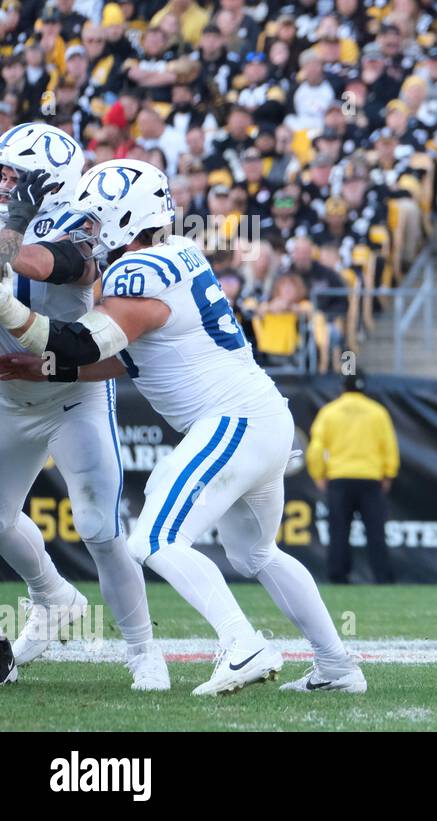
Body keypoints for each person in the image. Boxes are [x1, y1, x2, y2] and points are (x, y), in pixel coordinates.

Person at [0, 159, 364, 695]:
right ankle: (337, 667)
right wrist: (47, 367)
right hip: (261, 417)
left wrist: (9, 308)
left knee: (155, 538)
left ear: (124, 219)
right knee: (256, 554)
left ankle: (242, 645)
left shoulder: (133, 272)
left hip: (233, 421)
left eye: (97, 222)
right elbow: (128, 357)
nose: (88, 233)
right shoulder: (178, 255)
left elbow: (80, 343)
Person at [0, 123, 165, 690]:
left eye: (13, 174)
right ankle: (53, 596)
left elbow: (45, 265)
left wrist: (14, 225)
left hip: (74, 391)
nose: (4, 183)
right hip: (8, 393)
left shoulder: (88, 218)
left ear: (45, 181)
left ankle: (143, 651)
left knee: (99, 527)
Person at [306, 370, 399, 584]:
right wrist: (388, 474)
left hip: (339, 478)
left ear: (342, 387)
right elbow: (389, 448)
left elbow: (316, 449)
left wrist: (319, 474)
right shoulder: (378, 413)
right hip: (370, 478)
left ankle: (338, 575)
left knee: (339, 530)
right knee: (375, 531)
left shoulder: (329, 412)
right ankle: (382, 577)